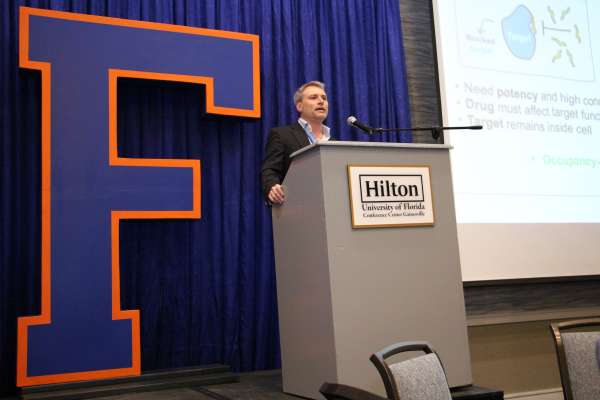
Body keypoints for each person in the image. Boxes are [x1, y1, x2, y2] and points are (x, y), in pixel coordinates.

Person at [260, 81, 331, 204]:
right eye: (313, 97)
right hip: (296, 208)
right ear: (299, 106)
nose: (321, 101)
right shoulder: (282, 135)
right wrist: (272, 188)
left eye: (324, 98)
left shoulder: (333, 143)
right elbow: (270, 170)